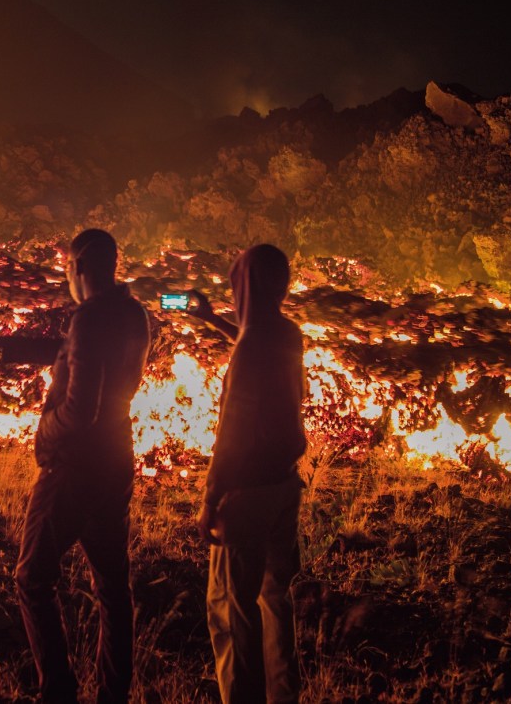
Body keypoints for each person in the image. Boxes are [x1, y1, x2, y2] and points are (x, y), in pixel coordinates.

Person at [0, 228, 150, 703]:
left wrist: (44, 434)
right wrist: (4, 343)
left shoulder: (90, 317)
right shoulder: (131, 313)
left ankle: (59, 691)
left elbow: (80, 407)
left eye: (67, 267)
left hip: (72, 468)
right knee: (113, 588)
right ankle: (114, 694)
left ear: (78, 267)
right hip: (115, 459)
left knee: (32, 578)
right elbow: (69, 351)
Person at [190, 244, 307, 704]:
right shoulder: (286, 333)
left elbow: (232, 432)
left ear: (248, 285)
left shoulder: (250, 349)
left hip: (248, 497)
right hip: (284, 487)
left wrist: (210, 498)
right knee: (276, 605)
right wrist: (212, 321)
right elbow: (249, 337)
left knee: (231, 613)